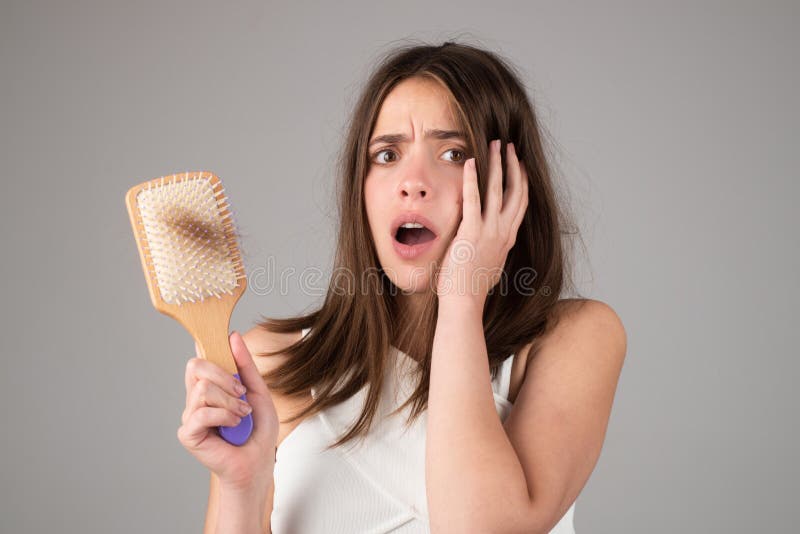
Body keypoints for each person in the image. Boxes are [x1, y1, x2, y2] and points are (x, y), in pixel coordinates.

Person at [178, 40, 627, 534]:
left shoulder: (574, 340)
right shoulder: (272, 363)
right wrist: (243, 486)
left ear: (511, 184)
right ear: (361, 188)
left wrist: (461, 299)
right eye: (387, 154)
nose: (412, 182)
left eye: (454, 153)